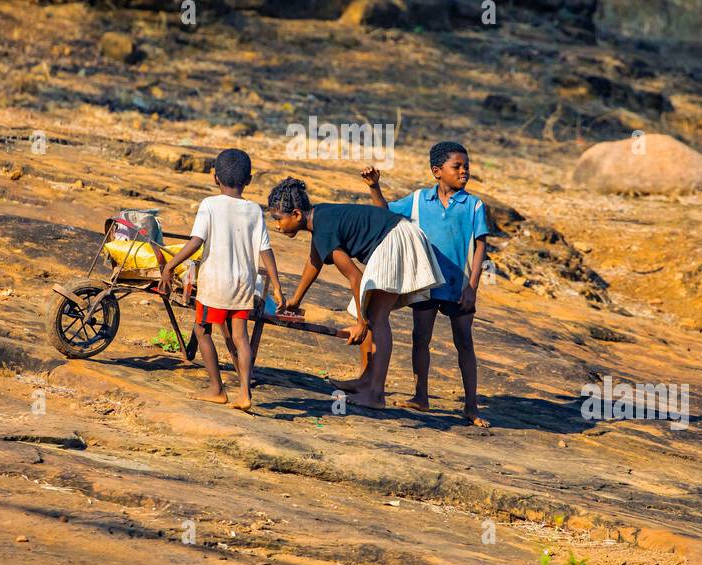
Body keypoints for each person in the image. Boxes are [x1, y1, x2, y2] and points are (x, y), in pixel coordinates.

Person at [266, 177, 443, 411]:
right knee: (369, 311)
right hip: (399, 234)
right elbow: (314, 261)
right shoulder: (319, 217)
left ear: (296, 214)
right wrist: (295, 301)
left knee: (375, 318)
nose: (277, 226)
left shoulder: (322, 226)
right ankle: (366, 382)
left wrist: (361, 323)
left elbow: (355, 278)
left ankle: (376, 395)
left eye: (278, 219)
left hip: (395, 239)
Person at [362, 141, 491, 426]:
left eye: (466, 167)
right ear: (437, 171)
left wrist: (472, 287)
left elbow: (480, 247)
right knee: (421, 338)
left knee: (464, 343)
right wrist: (374, 187)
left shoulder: (474, 205)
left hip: (459, 287)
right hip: (427, 283)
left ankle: (471, 406)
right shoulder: (419, 200)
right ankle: (421, 396)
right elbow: (384, 212)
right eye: (456, 167)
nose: (464, 172)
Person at [161, 149, 283, 411]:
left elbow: (196, 242)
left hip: (215, 284)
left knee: (201, 330)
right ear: (248, 180)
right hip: (242, 285)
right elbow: (265, 250)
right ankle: (244, 393)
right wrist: (278, 286)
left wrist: (170, 265)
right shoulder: (253, 210)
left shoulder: (209, 205)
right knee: (240, 337)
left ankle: (217, 389)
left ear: (215, 178)